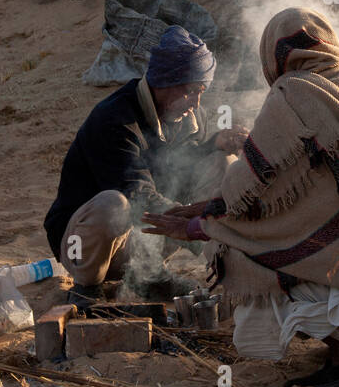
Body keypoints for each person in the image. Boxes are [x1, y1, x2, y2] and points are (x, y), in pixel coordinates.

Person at [144, 7, 339, 387]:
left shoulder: (296, 96)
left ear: (274, 55)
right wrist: (210, 211)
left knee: (241, 255)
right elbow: (304, 201)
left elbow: (253, 203)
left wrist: (200, 225)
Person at [43, 25, 247, 307]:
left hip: (143, 242)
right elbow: (138, 196)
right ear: (164, 81)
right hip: (89, 246)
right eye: (190, 91)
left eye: (202, 90)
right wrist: (198, 230)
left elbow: (184, 166)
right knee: (114, 204)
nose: (196, 101)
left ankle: (149, 276)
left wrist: (214, 144)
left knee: (222, 162)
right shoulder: (114, 119)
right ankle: (86, 288)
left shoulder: (191, 115)